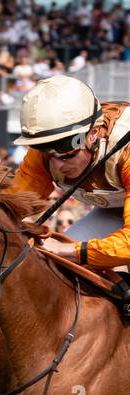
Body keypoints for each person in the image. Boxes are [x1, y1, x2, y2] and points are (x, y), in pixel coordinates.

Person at [9, 75, 130, 267]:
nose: (57, 166)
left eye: (66, 155)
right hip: (113, 213)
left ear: (92, 135)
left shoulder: (127, 154)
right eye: (49, 154)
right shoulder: (45, 152)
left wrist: (67, 249)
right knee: (53, 266)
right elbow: (8, 208)